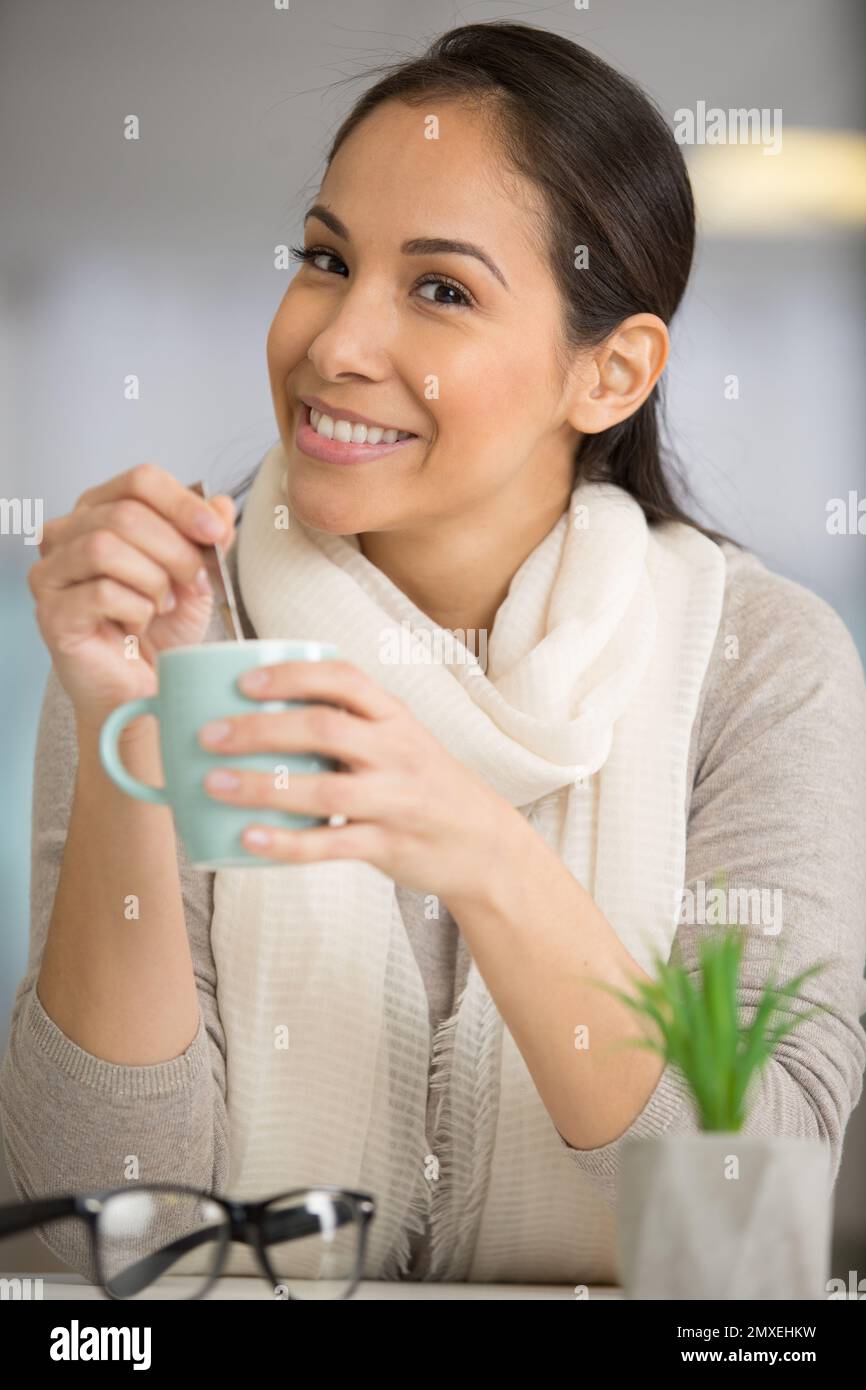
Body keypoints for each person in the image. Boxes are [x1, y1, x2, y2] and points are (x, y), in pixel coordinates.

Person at [2, 22, 865, 1286]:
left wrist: (477, 847)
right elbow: (101, 1215)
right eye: (324, 258)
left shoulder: (759, 660)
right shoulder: (181, 622)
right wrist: (126, 738)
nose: (334, 343)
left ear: (611, 372)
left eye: (441, 288)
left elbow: (745, 1238)